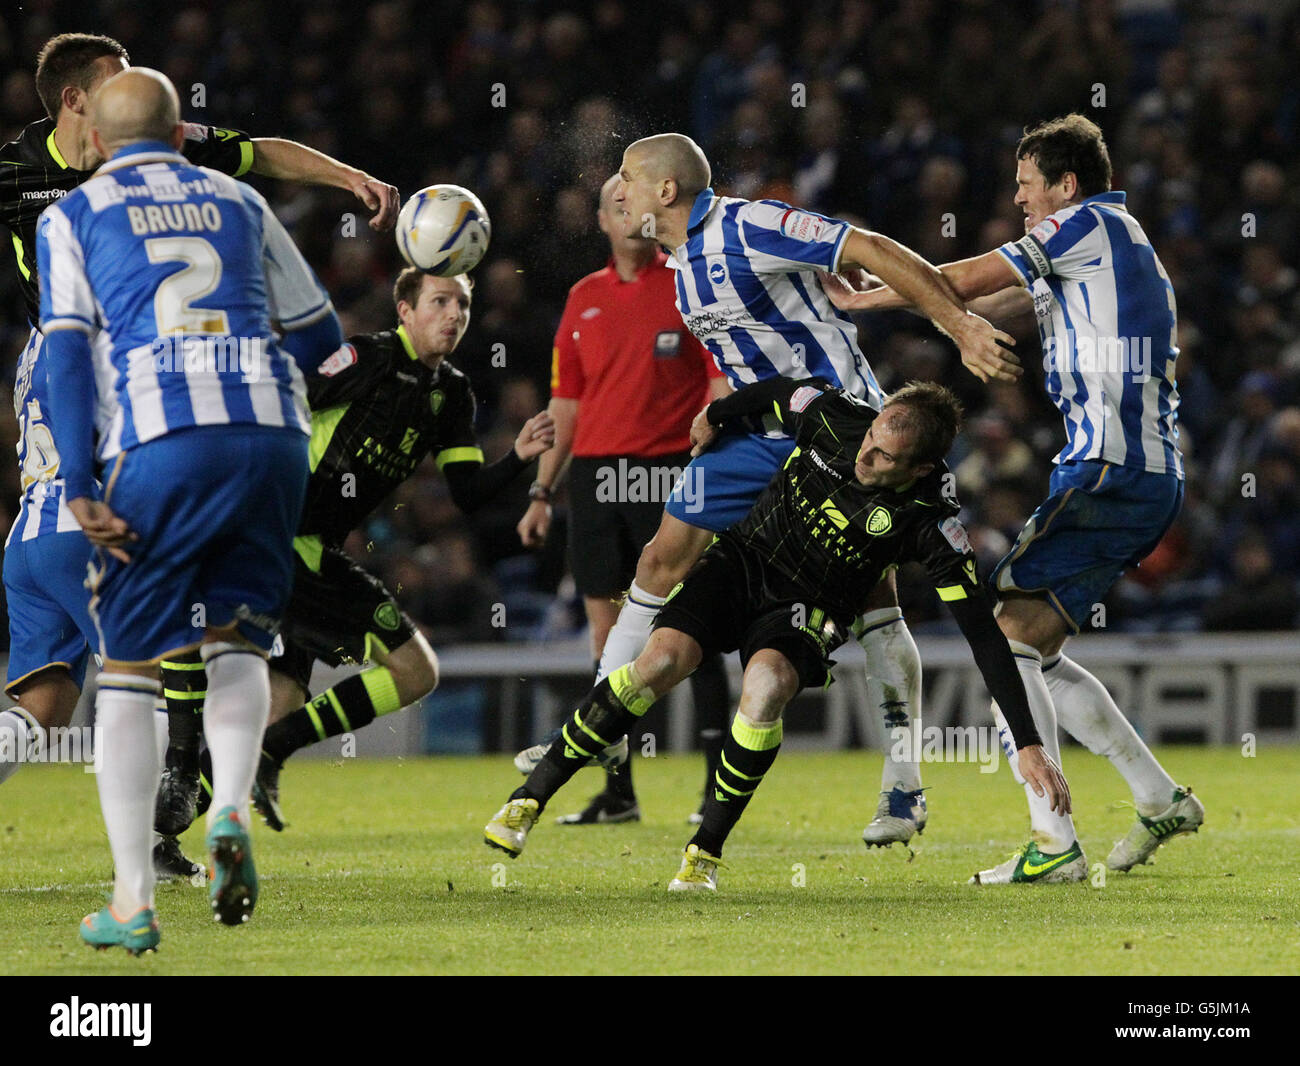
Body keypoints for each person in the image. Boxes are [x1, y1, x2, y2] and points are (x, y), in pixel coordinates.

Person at [526, 132, 1020, 847]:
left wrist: (958, 323)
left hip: (840, 430)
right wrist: (718, 410)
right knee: (660, 561)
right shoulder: (678, 263)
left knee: (876, 600)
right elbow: (748, 348)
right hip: (758, 435)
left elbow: (871, 248)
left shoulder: (750, 225)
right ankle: (598, 725)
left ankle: (905, 784)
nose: (618, 188)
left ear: (667, 191)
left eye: (628, 177)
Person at [0, 32, 400, 882]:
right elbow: (320, 338)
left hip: (40, 484)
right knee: (172, 655)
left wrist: (345, 177)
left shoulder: (145, 169)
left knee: (41, 702)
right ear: (78, 103)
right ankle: (159, 843)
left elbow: (265, 152)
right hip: (129, 392)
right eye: (120, 87)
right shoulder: (43, 186)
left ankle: (170, 823)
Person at [485, 376, 1072, 891]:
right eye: (870, 442)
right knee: (661, 661)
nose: (864, 458)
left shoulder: (933, 524)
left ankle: (703, 856)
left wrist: (1026, 741)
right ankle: (527, 801)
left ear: (920, 469)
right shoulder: (838, 417)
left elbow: (982, 636)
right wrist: (714, 416)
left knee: (765, 688)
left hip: (810, 606)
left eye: (884, 458)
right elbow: (776, 391)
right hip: (743, 562)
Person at [823, 114, 1202, 881]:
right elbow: (1005, 308)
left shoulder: (1087, 224)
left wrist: (891, 278)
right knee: (1036, 643)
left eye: (1029, 188)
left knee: (1005, 639)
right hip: (1138, 473)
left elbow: (964, 284)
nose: (1021, 203)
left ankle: (1054, 843)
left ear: (1066, 186)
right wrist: (881, 306)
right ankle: (1159, 797)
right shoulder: (1110, 245)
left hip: (1109, 468)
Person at [38, 67, 345, 951]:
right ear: (180, 137)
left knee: (129, 669)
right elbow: (323, 338)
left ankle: (133, 900)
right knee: (237, 641)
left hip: (163, 440)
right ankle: (231, 808)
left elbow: (64, 356)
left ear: (95, 140)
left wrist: (82, 487)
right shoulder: (240, 204)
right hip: (272, 434)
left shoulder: (74, 213)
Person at [173, 268, 554, 833]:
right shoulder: (365, 359)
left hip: (310, 549)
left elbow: (468, 494)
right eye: (439, 302)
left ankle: (172, 828)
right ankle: (247, 754)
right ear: (405, 310)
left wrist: (519, 457)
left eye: (462, 307)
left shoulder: (451, 394)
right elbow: (282, 405)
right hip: (280, 539)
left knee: (279, 699)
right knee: (416, 671)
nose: (453, 315)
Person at [514, 174, 732, 825]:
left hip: (670, 476)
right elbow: (565, 404)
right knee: (606, 639)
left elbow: (720, 382)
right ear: (605, 223)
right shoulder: (583, 297)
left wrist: (714, 463)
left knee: (696, 633)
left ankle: (715, 787)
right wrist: (541, 491)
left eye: (629, 198)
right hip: (594, 481)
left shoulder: (687, 284)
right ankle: (618, 791)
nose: (624, 208)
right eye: (612, 204)